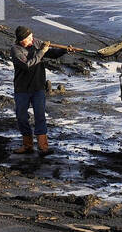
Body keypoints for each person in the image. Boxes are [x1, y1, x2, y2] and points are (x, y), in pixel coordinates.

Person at [11, 25, 74, 156]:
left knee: (40, 116)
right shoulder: (16, 50)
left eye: (32, 36)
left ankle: (43, 146)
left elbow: (51, 54)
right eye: (29, 38)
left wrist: (64, 51)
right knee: (21, 116)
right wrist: (42, 51)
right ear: (22, 40)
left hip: (38, 87)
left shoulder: (36, 42)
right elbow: (28, 65)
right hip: (22, 88)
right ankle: (27, 145)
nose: (32, 39)